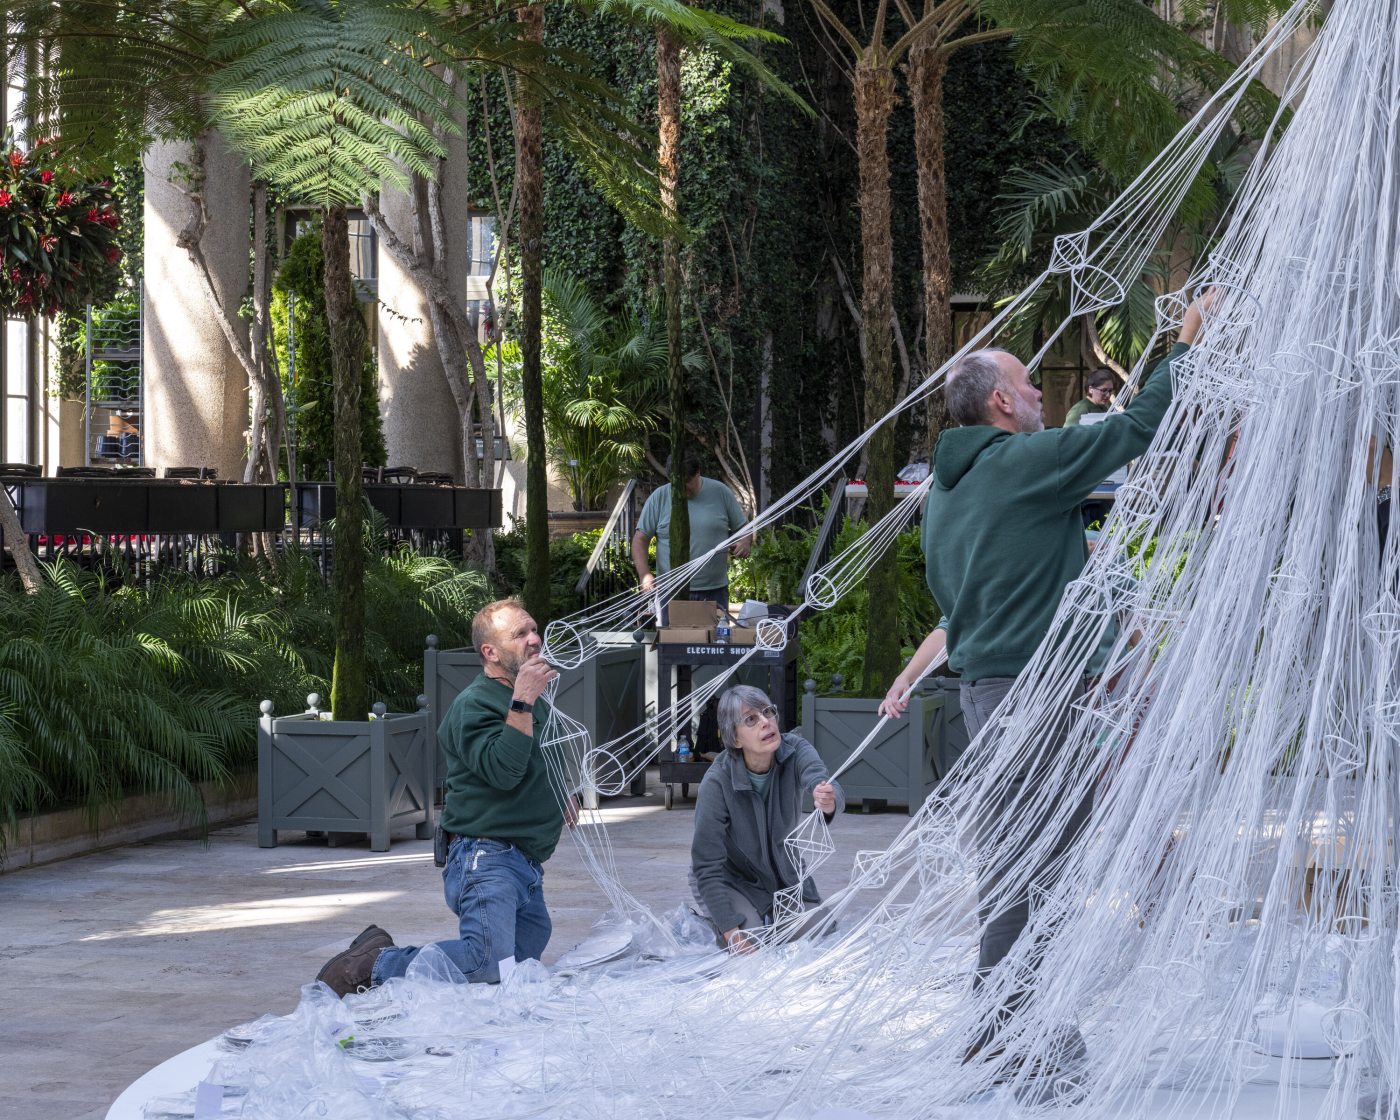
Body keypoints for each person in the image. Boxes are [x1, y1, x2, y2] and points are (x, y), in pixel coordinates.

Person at [882, 291, 1213, 1061]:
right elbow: (1136, 428)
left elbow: (959, 598)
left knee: (1018, 860)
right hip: (1030, 694)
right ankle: (1019, 1036)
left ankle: (1000, 1031)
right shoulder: (1021, 461)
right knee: (1043, 862)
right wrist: (1187, 341)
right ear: (1000, 401)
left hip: (988, 693)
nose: (1042, 393)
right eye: (1031, 385)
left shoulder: (947, 490)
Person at [315, 599, 565, 995]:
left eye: (534, 629)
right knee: (485, 961)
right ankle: (371, 965)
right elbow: (503, 771)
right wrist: (523, 702)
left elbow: (538, 756)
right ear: (491, 652)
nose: (535, 639)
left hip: (525, 861)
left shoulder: (529, 700)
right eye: (520, 634)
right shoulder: (476, 705)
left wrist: (558, 791)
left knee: (521, 959)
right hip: (487, 856)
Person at [690, 685, 844, 952]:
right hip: (732, 879)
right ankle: (717, 918)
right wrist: (729, 929)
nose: (765, 722)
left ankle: (774, 915)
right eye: (751, 719)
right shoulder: (717, 782)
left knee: (822, 933)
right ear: (735, 738)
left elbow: (819, 778)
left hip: (783, 878)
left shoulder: (795, 749)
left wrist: (827, 799)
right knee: (751, 945)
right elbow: (706, 865)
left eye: (768, 712)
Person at [632, 455, 752, 613]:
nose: (682, 488)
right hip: (670, 591)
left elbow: (744, 528)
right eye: (677, 483)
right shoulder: (659, 498)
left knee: (714, 638)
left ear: (698, 473)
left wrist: (745, 542)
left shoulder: (720, 492)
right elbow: (640, 540)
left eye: (687, 481)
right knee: (672, 638)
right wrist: (645, 574)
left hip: (714, 591)